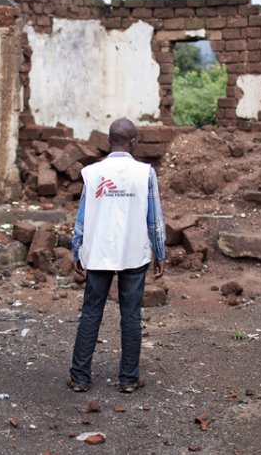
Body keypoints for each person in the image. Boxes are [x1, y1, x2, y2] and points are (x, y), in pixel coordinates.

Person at [67, 117, 166, 394]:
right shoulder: (144, 173)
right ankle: (128, 379)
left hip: (98, 251)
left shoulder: (93, 172)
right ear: (133, 142)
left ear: (110, 141)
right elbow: (154, 219)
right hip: (133, 252)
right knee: (131, 314)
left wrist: (76, 248)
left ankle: (79, 377)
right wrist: (160, 252)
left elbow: (82, 217)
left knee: (91, 312)